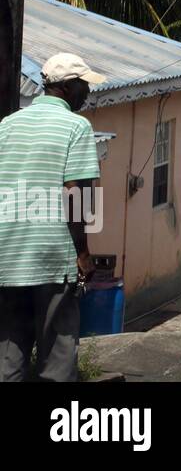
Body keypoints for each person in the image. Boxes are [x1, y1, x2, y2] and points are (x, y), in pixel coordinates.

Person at [0, 53, 106, 382]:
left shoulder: (7, 125)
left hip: (7, 256)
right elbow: (75, 191)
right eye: (83, 85)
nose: (87, 92)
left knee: (9, 355)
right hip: (52, 256)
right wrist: (83, 254)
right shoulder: (76, 126)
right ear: (67, 87)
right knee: (57, 359)